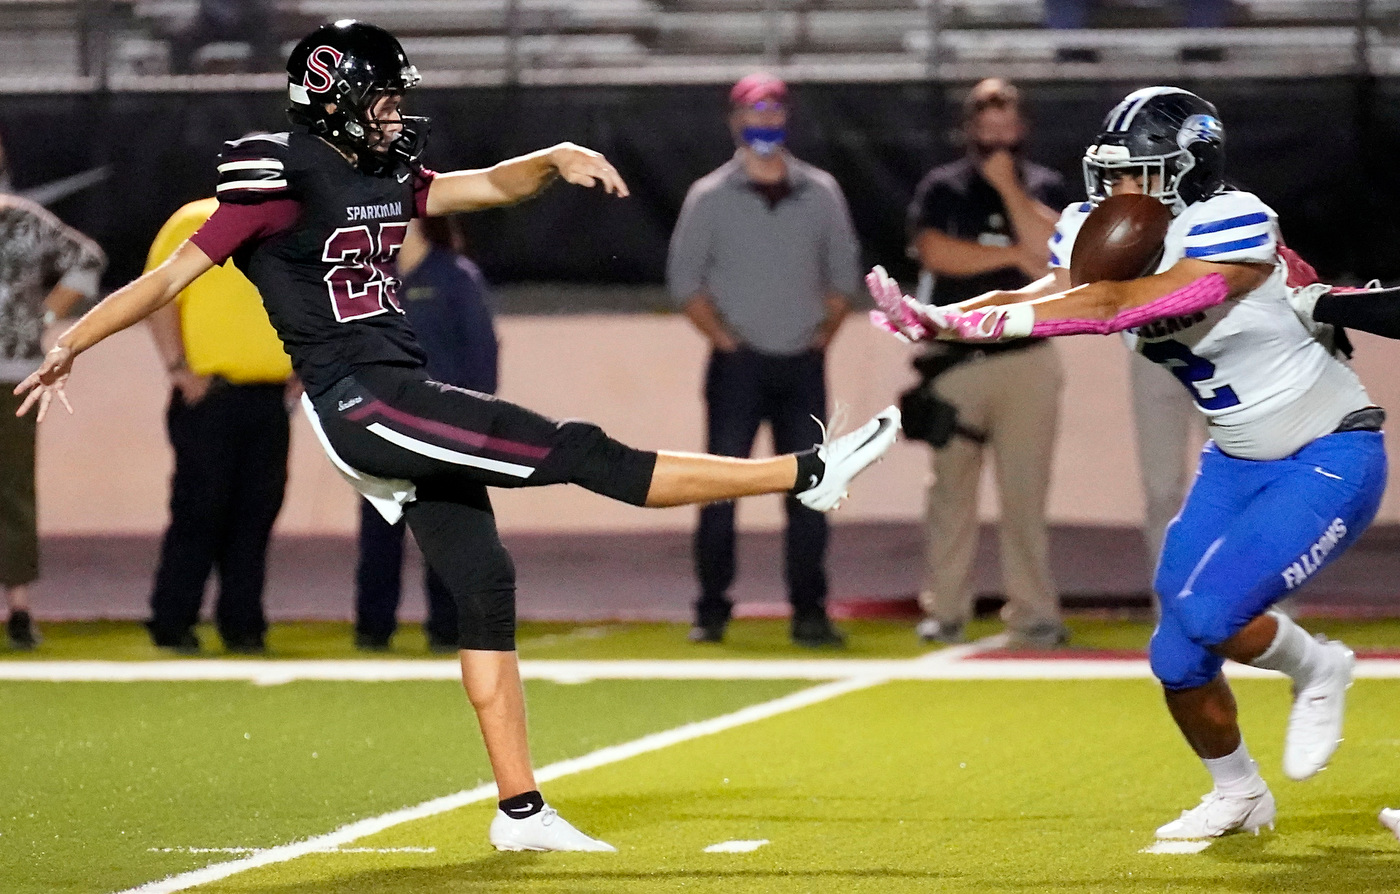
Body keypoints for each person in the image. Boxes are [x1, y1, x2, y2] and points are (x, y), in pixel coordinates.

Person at [15, 21, 899, 852]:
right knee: (581, 450)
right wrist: (71, 343)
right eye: (383, 98)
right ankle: (807, 472)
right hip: (363, 398)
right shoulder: (277, 181)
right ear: (335, 99)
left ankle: (520, 811)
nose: (396, 113)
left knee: (484, 581)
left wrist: (551, 158)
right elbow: (167, 278)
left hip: (391, 391)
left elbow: (488, 184)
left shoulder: (384, 173)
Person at [868, 86, 1384, 840]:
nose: (1117, 189)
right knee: (1175, 652)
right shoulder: (1093, 227)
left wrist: (989, 322)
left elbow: (1112, 306)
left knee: (1211, 612)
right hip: (1235, 459)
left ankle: (1317, 667)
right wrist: (943, 318)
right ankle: (1239, 793)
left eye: (1139, 172)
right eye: (1109, 173)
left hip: (1328, 450)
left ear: (1192, 168)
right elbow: (1050, 293)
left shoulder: (1234, 220)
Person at [667, 73, 860, 648]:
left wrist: (821, 337)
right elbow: (685, 282)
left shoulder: (821, 192)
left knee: (810, 493)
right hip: (738, 369)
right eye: (754, 112)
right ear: (734, 121)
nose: (765, 123)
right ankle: (711, 611)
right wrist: (726, 341)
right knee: (719, 490)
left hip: (802, 366)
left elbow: (843, 279)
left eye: (774, 111)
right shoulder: (709, 197)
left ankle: (810, 612)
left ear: (788, 118)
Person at [904, 78, 1069, 648]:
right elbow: (935, 252)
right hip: (956, 360)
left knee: (1026, 495)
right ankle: (946, 610)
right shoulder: (943, 187)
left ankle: (1034, 613)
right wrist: (1012, 253)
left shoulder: (1044, 185)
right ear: (970, 128)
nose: (997, 136)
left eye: (1006, 125)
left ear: (1021, 128)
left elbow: (1054, 259)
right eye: (986, 125)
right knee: (950, 493)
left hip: (1027, 357)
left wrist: (1009, 191)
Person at [143, 196, 295, 654]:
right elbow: (158, 293)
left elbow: (315, 298)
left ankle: (243, 624)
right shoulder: (194, 220)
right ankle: (173, 622)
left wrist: (306, 365)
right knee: (199, 509)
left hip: (270, 397)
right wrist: (177, 368)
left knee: (257, 513)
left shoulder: (291, 224)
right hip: (209, 395)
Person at [355, 215, 497, 653]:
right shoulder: (369, 281)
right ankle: (372, 630)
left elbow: (482, 354)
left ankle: (448, 630)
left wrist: (474, 422)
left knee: (447, 534)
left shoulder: (455, 276)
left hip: (444, 431)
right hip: (384, 431)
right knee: (380, 532)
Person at [0, 191, 106, 649]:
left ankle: (19, 609)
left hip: (13, 373)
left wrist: (44, 315)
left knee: (13, 488)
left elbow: (87, 258)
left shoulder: (23, 221)